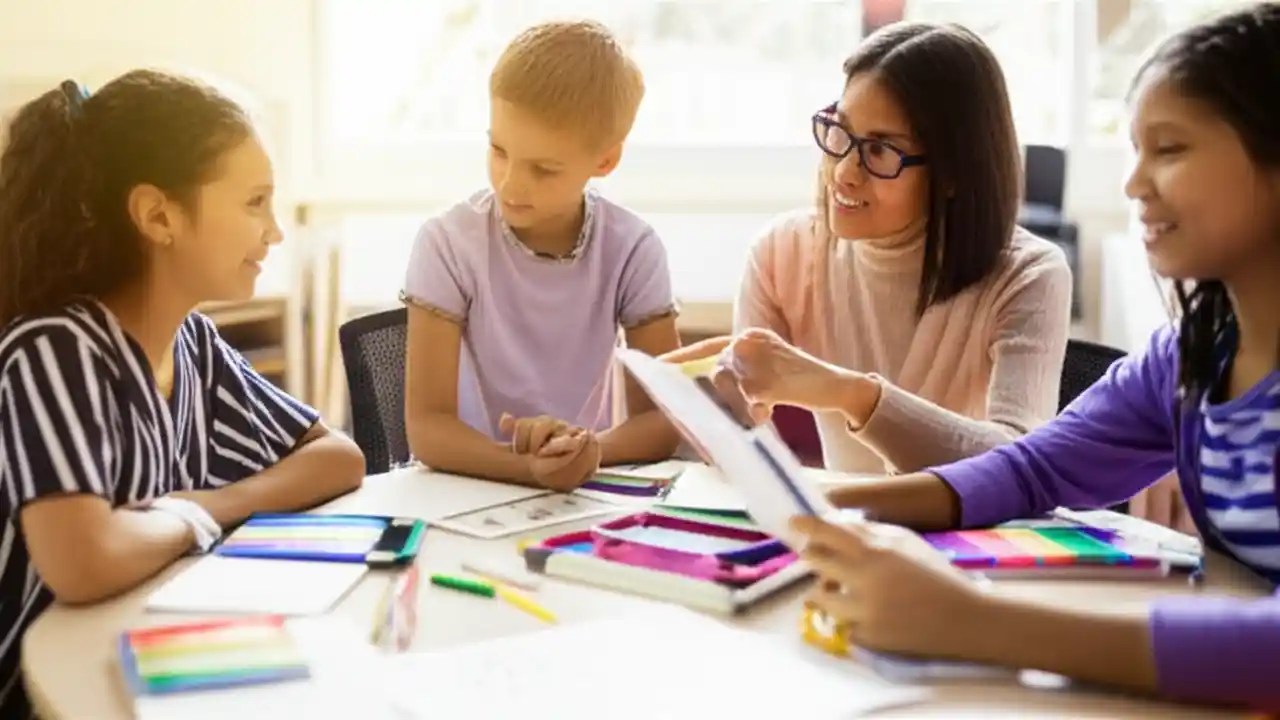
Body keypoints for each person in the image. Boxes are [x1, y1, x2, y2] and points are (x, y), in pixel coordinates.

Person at [795, 5, 1280, 711]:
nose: (1133, 184)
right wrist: (814, 504)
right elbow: (1033, 469)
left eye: (1170, 150)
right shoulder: (1188, 358)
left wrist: (971, 622)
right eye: (1135, 150)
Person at [0, 70, 365, 715]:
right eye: (254, 203)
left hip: (132, 660)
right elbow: (82, 562)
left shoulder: (194, 344)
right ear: (158, 216)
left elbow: (337, 456)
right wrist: (199, 517)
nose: (274, 231)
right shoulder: (54, 349)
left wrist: (209, 503)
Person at [691, 21, 1073, 476]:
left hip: (963, 521)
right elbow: (746, 434)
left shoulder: (1030, 275)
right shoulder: (783, 252)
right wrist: (719, 412)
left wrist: (849, 394)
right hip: (840, 515)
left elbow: (1018, 466)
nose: (843, 173)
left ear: (953, 172)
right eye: (840, 131)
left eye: (879, 151)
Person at [403, 20, 681, 491]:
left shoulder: (634, 249)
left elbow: (663, 419)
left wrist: (587, 453)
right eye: (498, 150)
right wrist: (529, 469)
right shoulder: (447, 243)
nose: (511, 184)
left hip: (585, 489)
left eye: (544, 169)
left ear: (605, 161)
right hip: (467, 489)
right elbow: (428, 429)